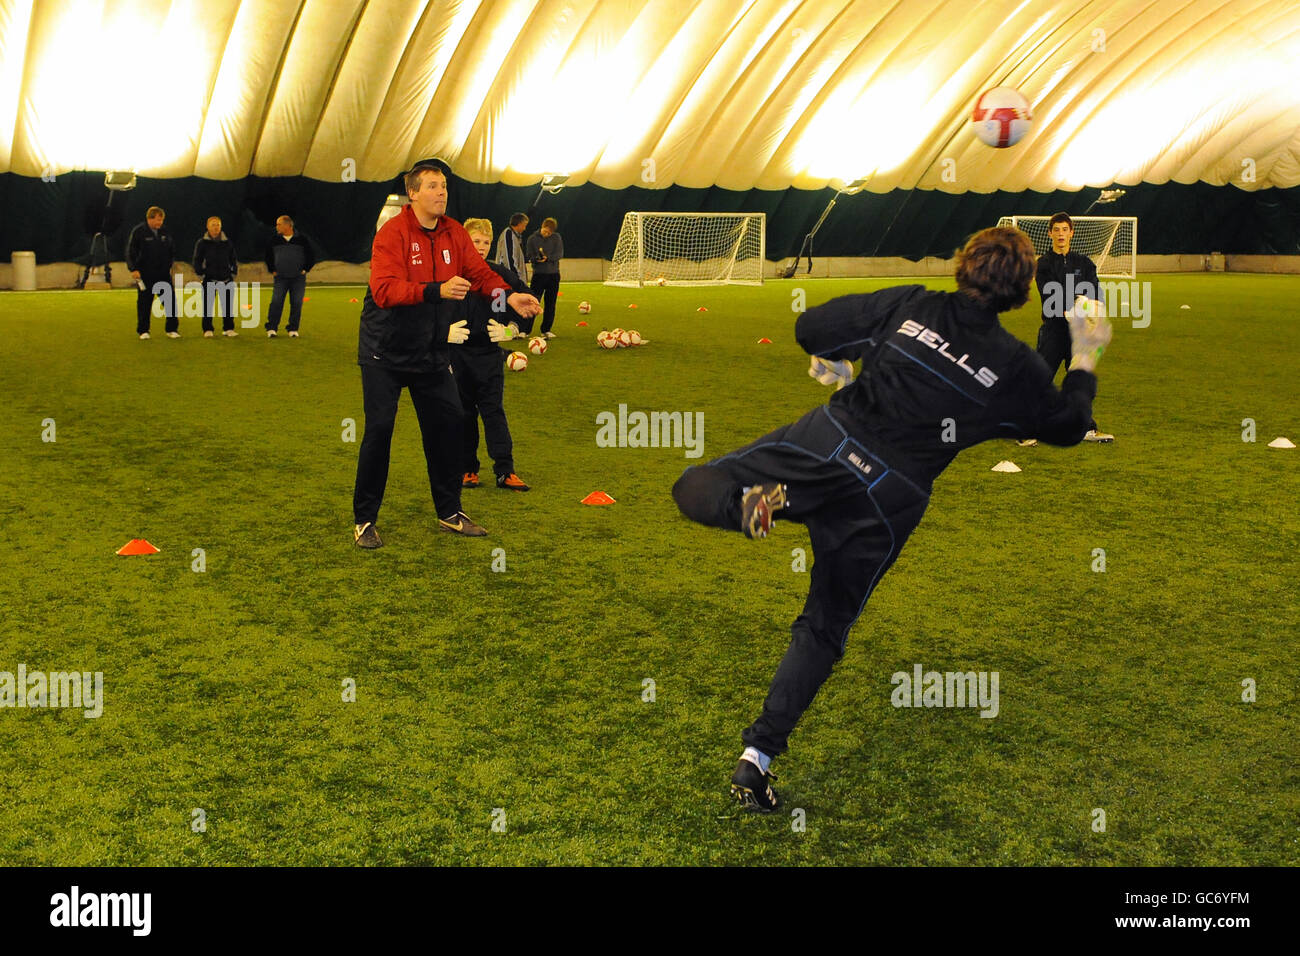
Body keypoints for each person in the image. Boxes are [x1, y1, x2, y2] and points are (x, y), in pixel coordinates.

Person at [671, 227, 1112, 812]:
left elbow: (811, 329)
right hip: (888, 495)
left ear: (963, 265)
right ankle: (758, 758)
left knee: (696, 485)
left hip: (826, 444)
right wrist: (1086, 355)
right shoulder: (1017, 368)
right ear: (1022, 291)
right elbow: (1069, 427)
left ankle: (759, 508)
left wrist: (841, 364)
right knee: (824, 627)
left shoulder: (912, 303)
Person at [351, 163, 541, 549]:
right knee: (379, 431)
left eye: (444, 186)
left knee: (449, 423)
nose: (442, 192)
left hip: (432, 349)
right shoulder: (393, 234)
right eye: (433, 186)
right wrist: (436, 290)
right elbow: (385, 291)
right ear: (414, 193)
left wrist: (510, 295)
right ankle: (365, 519)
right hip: (384, 352)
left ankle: (450, 512)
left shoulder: (454, 232)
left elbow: (480, 275)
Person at [1021, 212, 1114, 445]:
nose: (1061, 234)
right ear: (1050, 234)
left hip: (1079, 332)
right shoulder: (1043, 265)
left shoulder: (1084, 263)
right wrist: (1072, 308)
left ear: (1071, 232)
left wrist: (1088, 308)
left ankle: (1085, 428)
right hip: (1054, 330)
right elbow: (1049, 294)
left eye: (1065, 229)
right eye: (1057, 230)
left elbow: (1094, 291)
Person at [457, 218, 533, 492]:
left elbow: (526, 303)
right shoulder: (453, 275)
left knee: (493, 412)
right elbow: (430, 308)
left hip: (490, 355)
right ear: (464, 242)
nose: (480, 247)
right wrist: (444, 332)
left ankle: (505, 470)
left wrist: (512, 330)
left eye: (486, 242)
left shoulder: (500, 275)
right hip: (459, 357)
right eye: (475, 241)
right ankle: (467, 469)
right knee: (464, 414)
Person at [126, 206, 176, 339]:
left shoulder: (165, 231)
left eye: (162, 220)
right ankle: (143, 331)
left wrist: (170, 265)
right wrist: (133, 269)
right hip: (145, 274)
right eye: (158, 220)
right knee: (144, 303)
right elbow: (131, 252)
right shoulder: (138, 232)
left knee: (170, 302)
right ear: (149, 218)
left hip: (163, 274)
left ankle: (172, 329)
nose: (160, 223)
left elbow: (171, 251)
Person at [263, 215, 315, 338]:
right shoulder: (274, 240)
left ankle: (293, 328)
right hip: (280, 277)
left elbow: (311, 256)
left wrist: (305, 269)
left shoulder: (302, 239)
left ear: (288, 225)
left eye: (279, 224)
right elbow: (268, 256)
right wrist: (272, 270)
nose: (277, 227)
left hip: (298, 278)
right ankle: (271, 328)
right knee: (276, 302)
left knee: (297, 303)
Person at [193, 217, 239, 338]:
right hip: (210, 279)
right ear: (207, 227)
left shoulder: (227, 242)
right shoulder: (202, 243)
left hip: (226, 279)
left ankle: (228, 328)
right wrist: (202, 273)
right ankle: (208, 329)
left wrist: (233, 272)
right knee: (208, 306)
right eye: (213, 225)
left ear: (221, 227)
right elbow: (197, 260)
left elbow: (233, 259)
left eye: (218, 225)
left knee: (228, 306)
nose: (216, 227)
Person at [525, 217, 563, 339]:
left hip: (553, 275)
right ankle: (526, 330)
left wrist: (549, 258)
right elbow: (529, 255)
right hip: (538, 275)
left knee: (550, 304)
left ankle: (546, 330)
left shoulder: (556, 238)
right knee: (533, 302)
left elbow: (559, 254)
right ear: (542, 227)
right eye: (545, 231)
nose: (547, 234)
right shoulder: (532, 239)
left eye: (549, 233)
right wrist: (537, 258)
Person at [495, 213, 530, 294]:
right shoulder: (508, 233)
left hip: (512, 281)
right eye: (524, 225)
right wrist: (515, 280)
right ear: (519, 224)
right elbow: (509, 259)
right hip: (510, 282)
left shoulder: (514, 236)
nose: (525, 228)